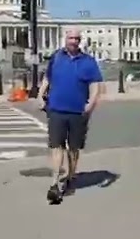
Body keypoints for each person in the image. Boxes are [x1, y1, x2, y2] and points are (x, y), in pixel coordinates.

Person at [39, 28, 103, 203]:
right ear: (65, 39)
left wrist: (91, 104)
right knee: (56, 146)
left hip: (78, 111)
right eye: (70, 38)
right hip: (56, 109)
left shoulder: (88, 62)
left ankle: (71, 175)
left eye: (76, 38)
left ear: (80, 40)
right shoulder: (57, 58)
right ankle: (54, 182)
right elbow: (47, 78)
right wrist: (40, 94)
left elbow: (95, 85)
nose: (73, 41)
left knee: (73, 149)